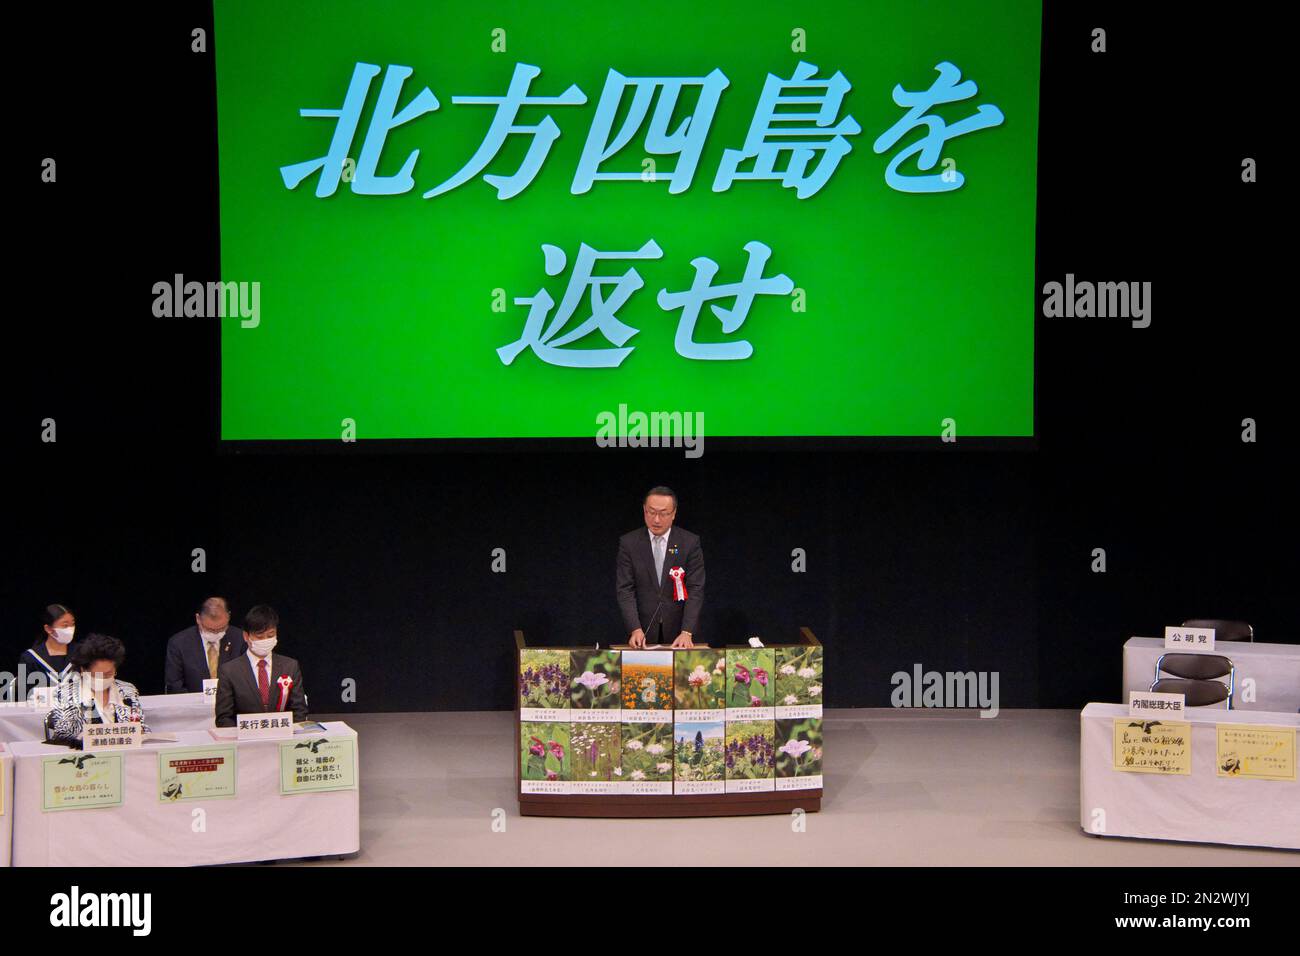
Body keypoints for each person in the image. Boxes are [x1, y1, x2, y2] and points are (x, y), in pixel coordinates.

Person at [616, 485, 705, 648]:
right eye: (651, 512)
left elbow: (695, 589)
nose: (656, 519)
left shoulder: (689, 543)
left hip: (680, 634)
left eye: (663, 513)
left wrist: (687, 631)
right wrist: (634, 629)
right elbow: (625, 589)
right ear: (644, 510)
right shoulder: (629, 543)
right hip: (641, 633)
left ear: (674, 513)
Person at [214, 605, 307, 727]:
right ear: (246, 636)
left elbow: (299, 710)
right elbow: (224, 718)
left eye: (270, 635)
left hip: (283, 737)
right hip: (246, 741)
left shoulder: (290, 666)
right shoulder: (229, 671)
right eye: (259, 636)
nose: (265, 640)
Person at [46, 633, 148, 744]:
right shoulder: (66, 693)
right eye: (98, 675)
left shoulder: (127, 690)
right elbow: (63, 734)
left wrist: (141, 732)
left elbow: (141, 726)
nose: (103, 679)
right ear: (83, 670)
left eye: (109, 674)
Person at [164, 596, 247, 693]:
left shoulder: (240, 638)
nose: (216, 633)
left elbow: (247, 680)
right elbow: (174, 685)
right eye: (210, 630)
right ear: (198, 619)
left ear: (228, 616)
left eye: (221, 629)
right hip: (193, 704)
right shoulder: (179, 643)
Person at [12, 604, 78, 701]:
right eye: (65, 625)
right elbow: (21, 694)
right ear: (48, 629)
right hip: (40, 713)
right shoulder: (30, 658)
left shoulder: (80, 653)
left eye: (72, 624)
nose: (70, 629)